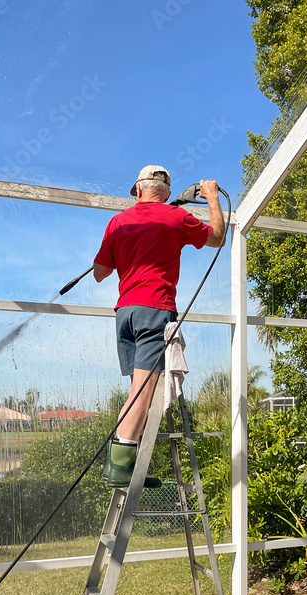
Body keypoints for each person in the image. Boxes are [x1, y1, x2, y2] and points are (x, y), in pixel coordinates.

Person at [93, 165, 226, 487]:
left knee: (136, 389)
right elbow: (217, 238)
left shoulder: (117, 222)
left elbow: (99, 273)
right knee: (143, 391)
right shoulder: (177, 218)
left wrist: (123, 251)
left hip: (125, 314)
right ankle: (120, 469)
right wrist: (211, 197)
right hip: (154, 310)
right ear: (166, 193)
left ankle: (121, 465)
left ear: (138, 190)